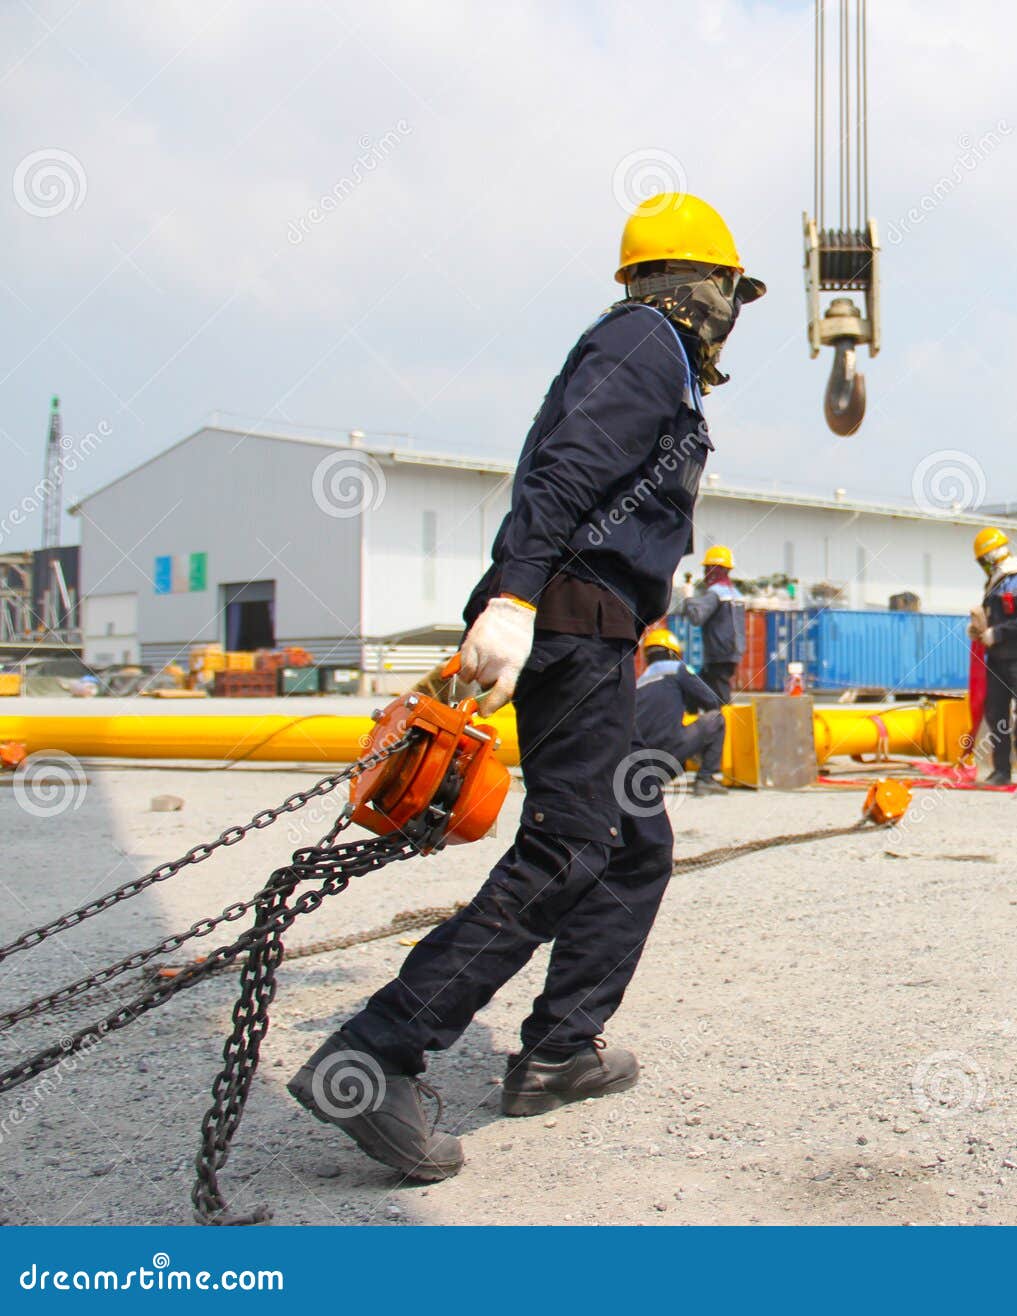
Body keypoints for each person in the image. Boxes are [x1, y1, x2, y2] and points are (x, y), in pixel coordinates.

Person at [287, 191, 764, 1181]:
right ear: (697, 283)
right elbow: (563, 473)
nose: (732, 313)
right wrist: (512, 597)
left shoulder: (651, 352)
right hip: (570, 621)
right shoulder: (642, 342)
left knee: (632, 840)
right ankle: (376, 1051)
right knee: (572, 845)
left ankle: (558, 1048)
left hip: (599, 627)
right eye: (730, 291)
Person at [969, 527, 1017, 784]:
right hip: (997, 659)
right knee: (996, 713)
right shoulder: (992, 585)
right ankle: (1002, 770)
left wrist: (998, 633)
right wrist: (979, 629)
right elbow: (990, 619)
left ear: (991, 556)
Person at [635, 626, 728, 797]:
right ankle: (705, 779)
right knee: (715, 718)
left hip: (641, 768)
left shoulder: (639, 682)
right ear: (674, 653)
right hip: (668, 754)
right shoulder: (678, 669)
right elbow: (710, 700)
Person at [681, 544, 745, 704]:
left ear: (712, 568)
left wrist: (688, 597)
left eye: (706, 568)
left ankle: (724, 725)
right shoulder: (735, 594)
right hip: (732, 654)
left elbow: (696, 618)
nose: (705, 573)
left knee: (720, 700)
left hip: (718, 656)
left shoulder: (715, 593)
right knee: (699, 690)